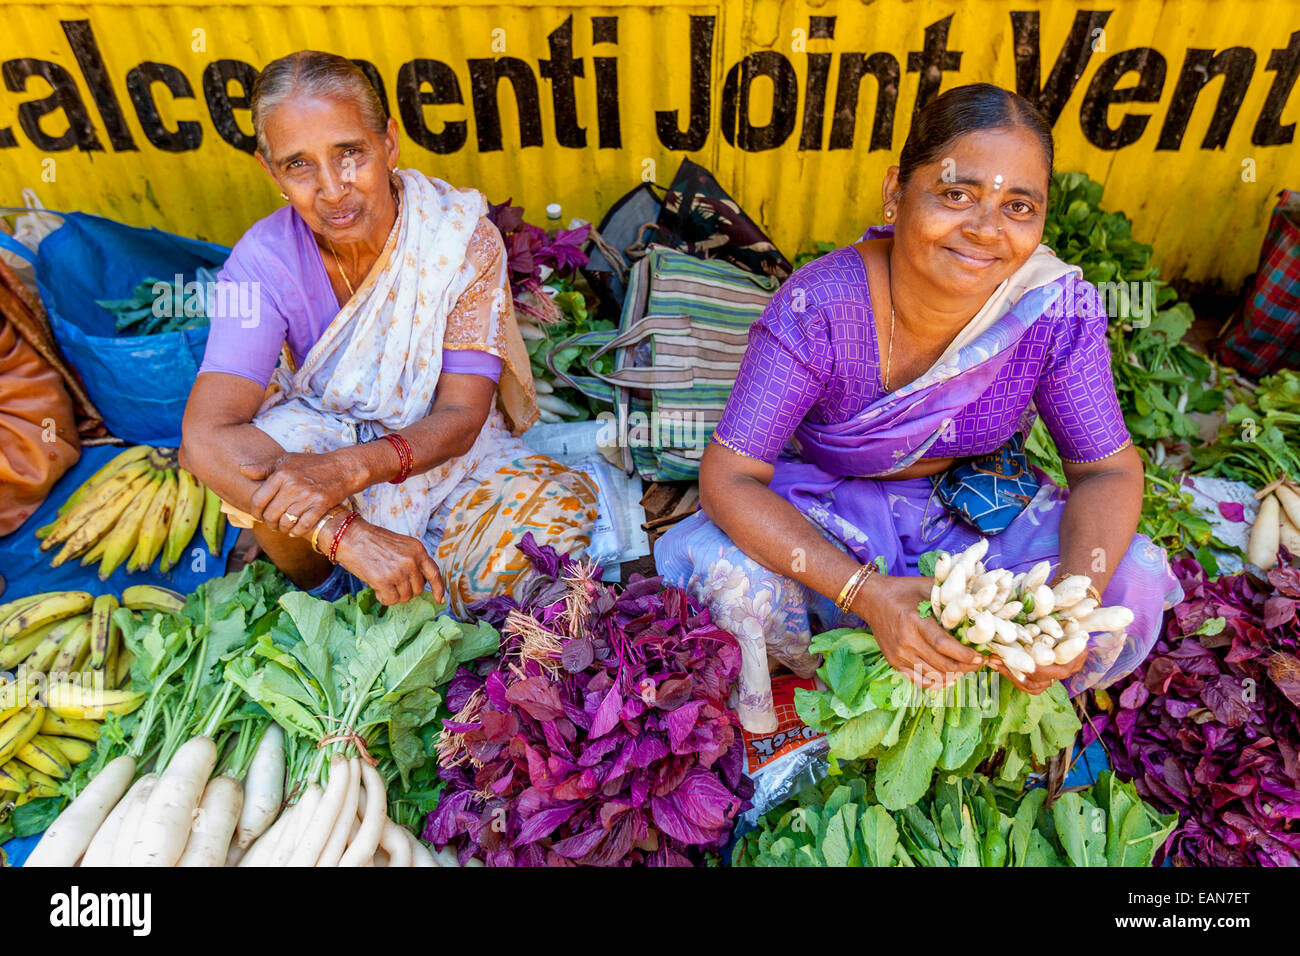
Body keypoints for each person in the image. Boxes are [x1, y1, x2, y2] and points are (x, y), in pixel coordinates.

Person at [656, 83, 1182, 733]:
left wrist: (1068, 610)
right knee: (726, 571)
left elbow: (1105, 471)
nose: (986, 229)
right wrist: (863, 593)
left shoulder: (1051, 311)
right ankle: (866, 641)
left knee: (1131, 575)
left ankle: (995, 679)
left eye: (1018, 206)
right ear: (895, 191)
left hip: (973, 519)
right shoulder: (818, 307)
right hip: (829, 514)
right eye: (956, 194)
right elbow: (730, 478)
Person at [180, 51, 597, 614]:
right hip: (323, 434)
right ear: (270, 171)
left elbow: (460, 416)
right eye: (298, 165)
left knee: (546, 534)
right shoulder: (260, 262)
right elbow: (203, 438)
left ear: (389, 144)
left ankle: (389, 574)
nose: (332, 189)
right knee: (256, 464)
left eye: (349, 153)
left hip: (445, 453)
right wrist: (342, 534)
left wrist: (349, 469)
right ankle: (330, 596)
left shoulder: (457, 238)